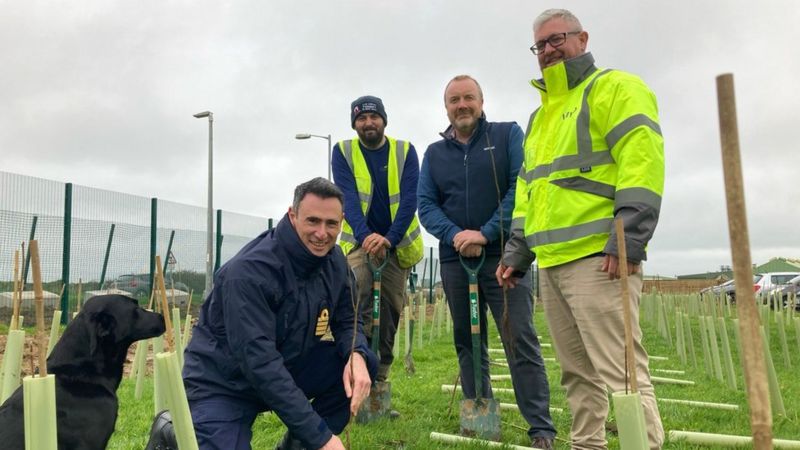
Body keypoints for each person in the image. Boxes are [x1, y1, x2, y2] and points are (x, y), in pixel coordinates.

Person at [496, 9, 665, 450]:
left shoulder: (615, 88)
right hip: (553, 264)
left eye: (557, 39)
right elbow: (529, 190)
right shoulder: (540, 117)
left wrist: (628, 236)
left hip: (600, 260)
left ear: (583, 38)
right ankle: (587, 445)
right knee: (577, 374)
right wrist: (518, 251)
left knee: (623, 375)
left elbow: (642, 163)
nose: (548, 51)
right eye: (540, 45)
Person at [181, 177, 377, 450]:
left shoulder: (336, 263)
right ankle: (170, 429)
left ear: (342, 222)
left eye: (331, 224)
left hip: (288, 364)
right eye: (313, 221)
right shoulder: (249, 273)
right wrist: (321, 438)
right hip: (224, 382)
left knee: (361, 365)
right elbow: (259, 362)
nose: (322, 233)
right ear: (292, 216)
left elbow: (347, 321)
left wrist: (356, 354)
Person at [417, 75, 556, 449]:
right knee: (468, 339)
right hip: (456, 260)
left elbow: (520, 188)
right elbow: (426, 205)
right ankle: (480, 420)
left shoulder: (507, 135)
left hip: (505, 255)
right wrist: (456, 236)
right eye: (454, 100)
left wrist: (487, 232)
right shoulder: (434, 153)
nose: (462, 105)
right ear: (446, 107)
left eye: (468, 98)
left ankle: (540, 427)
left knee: (519, 337)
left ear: (481, 101)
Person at [332, 95, 424, 385]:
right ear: (354, 124)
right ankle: (355, 366)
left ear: (384, 120)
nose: (368, 123)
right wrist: (367, 237)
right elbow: (346, 198)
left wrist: (388, 239)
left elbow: (410, 200)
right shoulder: (343, 151)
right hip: (360, 243)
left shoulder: (405, 151)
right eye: (361, 118)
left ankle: (380, 376)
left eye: (374, 117)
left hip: (397, 244)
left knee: (390, 309)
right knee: (356, 297)